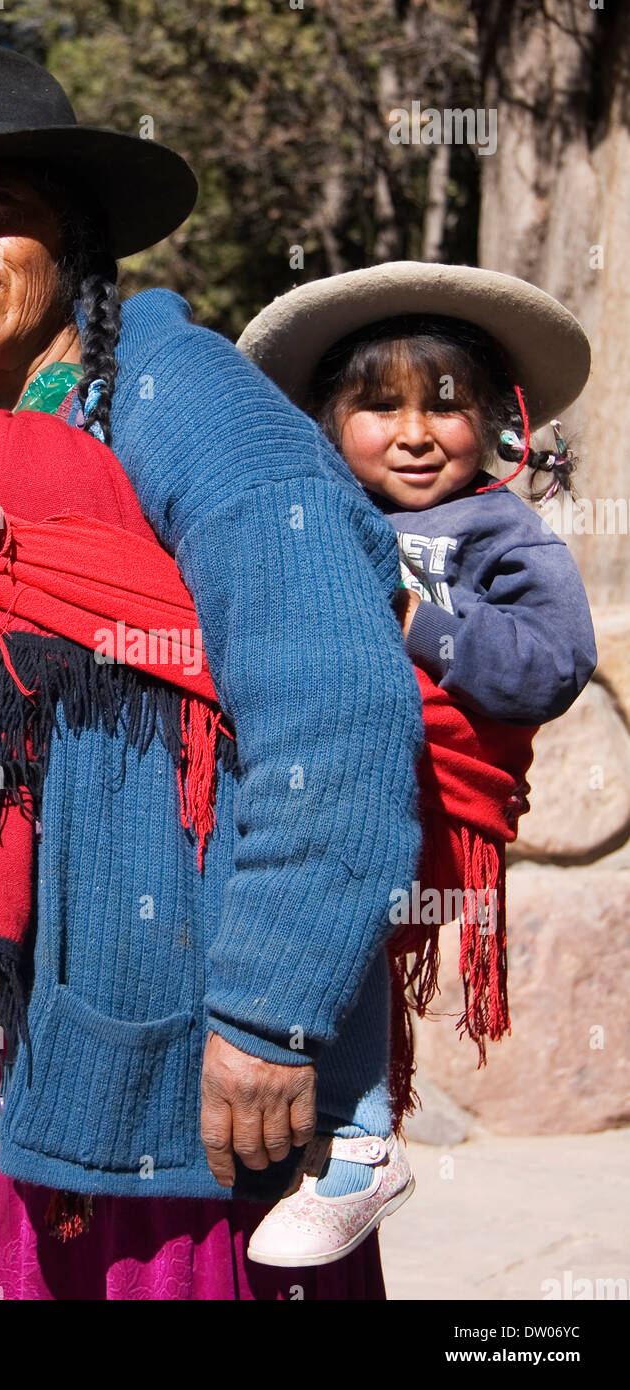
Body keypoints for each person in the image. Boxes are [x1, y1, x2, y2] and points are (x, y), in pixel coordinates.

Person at [0, 40, 424, 1301]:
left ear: (74, 239)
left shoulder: (191, 409)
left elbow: (332, 704)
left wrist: (270, 1011)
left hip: (175, 1089)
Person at [236, 261, 596, 1266]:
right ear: (323, 420)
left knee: (340, 932)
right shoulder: (307, 522)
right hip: (298, 774)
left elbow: (551, 664)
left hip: (418, 791)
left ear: (491, 422)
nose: (411, 431)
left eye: (444, 406)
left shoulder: (497, 531)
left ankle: (357, 1140)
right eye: (375, 405)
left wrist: (413, 619)